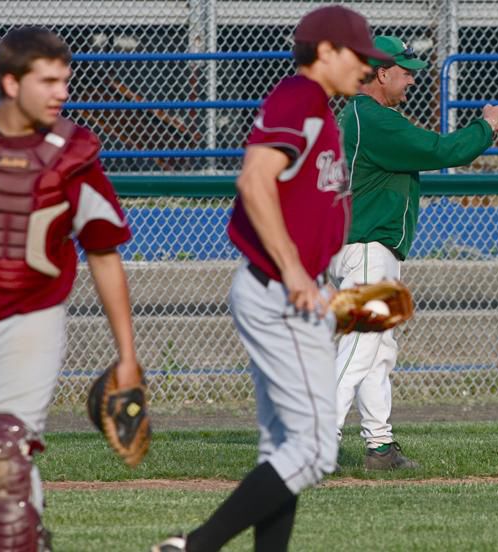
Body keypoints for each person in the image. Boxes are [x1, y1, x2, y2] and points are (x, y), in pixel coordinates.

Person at [150, 6, 389, 552]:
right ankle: (197, 546)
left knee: (282, 449)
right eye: (359, 56)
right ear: (326, 52)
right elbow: (254, 181)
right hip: (280, 290)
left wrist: (322, 285)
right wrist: (296, 273)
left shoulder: (318, 108)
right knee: (314, 451)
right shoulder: (299, 98)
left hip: (288, 288)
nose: (367, 69)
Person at [0, 27, 142, 550]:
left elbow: (104, 254)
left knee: (1, 452)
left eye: (65, 80)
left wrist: (127, 356)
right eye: (48, 81)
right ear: (11, 82)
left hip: (30, 320)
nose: (62, 92)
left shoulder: (72, 155)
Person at [331, 35, 498, 470]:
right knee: (360, 346)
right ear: (380, 73)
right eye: (404, 72)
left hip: (368, 245)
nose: (411, 80)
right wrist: (486, 127)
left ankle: (379, 446)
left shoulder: (365, 115)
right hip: (366, 247)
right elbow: (441, 150)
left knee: (378, 351)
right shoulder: (372, 117)